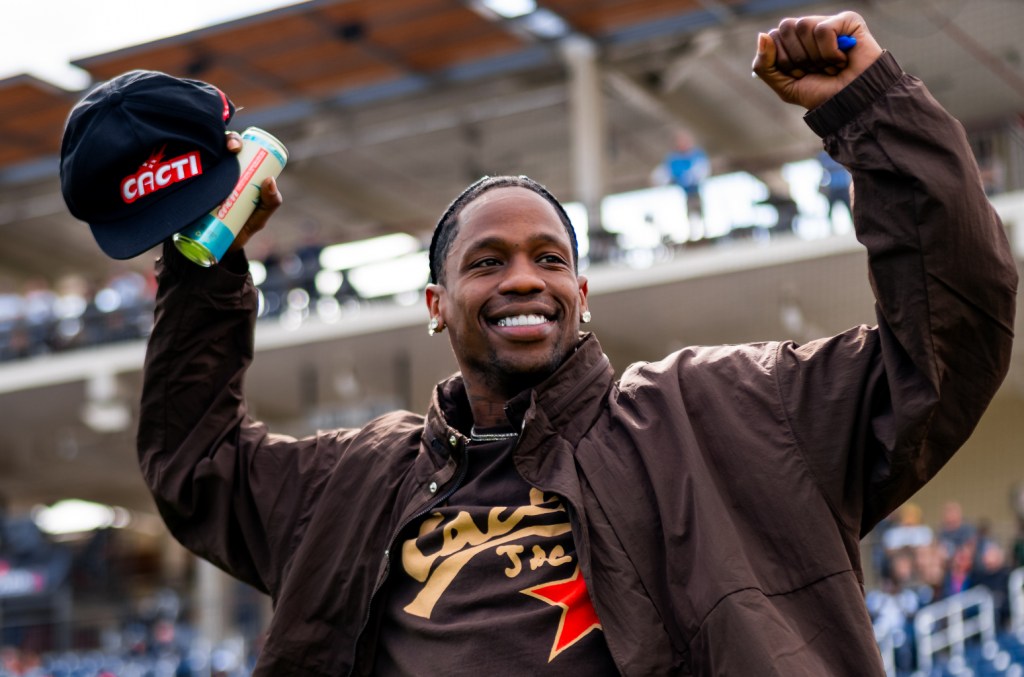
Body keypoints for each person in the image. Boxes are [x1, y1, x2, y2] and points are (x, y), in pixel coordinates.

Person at [131, 12, 1017, 676]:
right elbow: (194, 463)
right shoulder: (352, 481)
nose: (524, 278)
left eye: (549, 258)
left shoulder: (720, 413)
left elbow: (945, 340)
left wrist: (872, 112)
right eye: (488, 262)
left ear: (581, 296)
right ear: (437, 304)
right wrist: (208, 264)